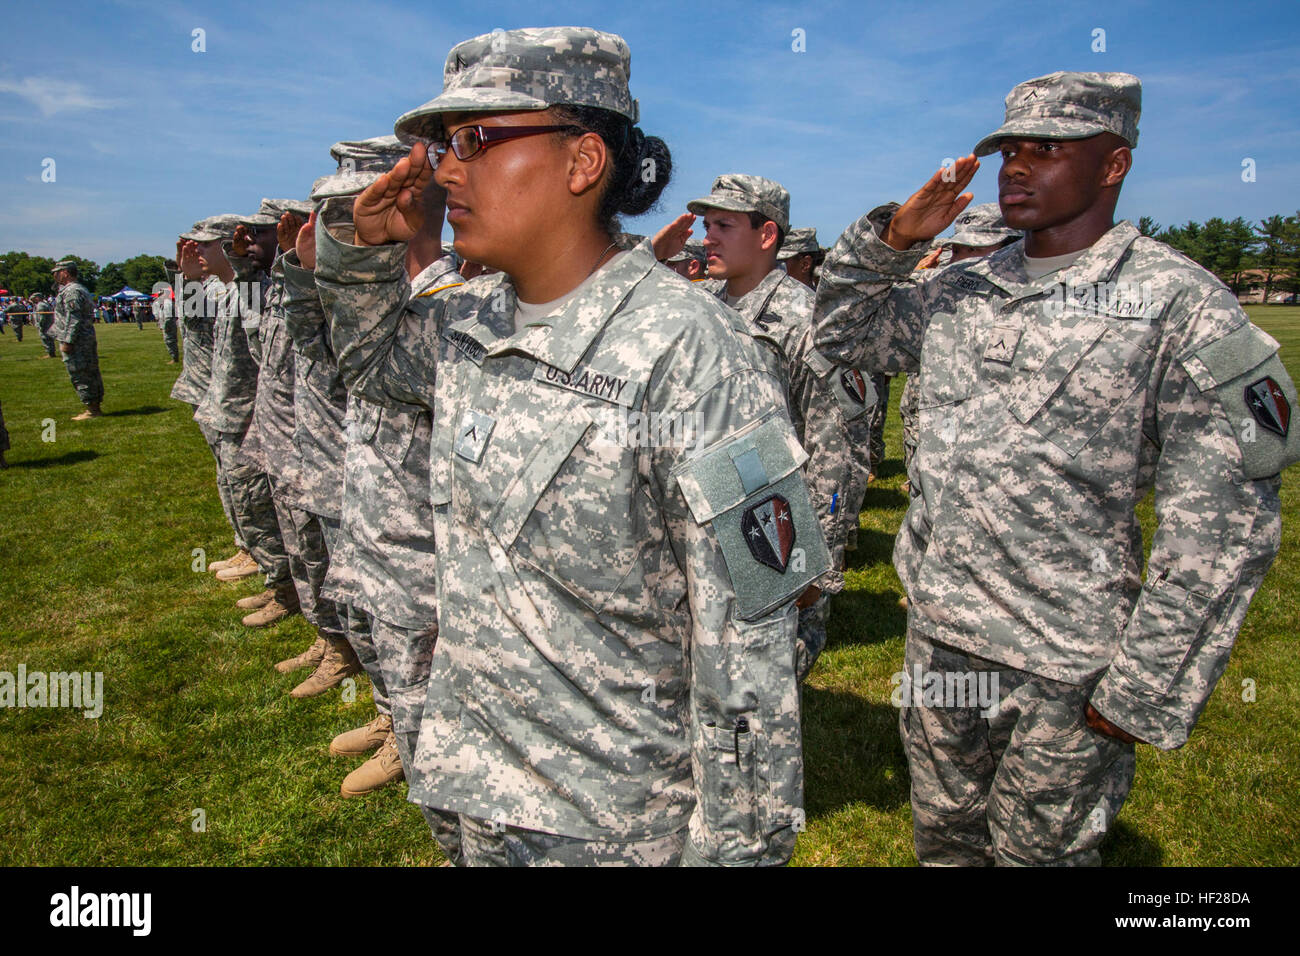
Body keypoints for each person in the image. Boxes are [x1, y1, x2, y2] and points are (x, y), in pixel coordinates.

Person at [325, 26, 825, 866]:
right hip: (480, 789)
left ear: (582, 161)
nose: (446, 171)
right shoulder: (471, 322)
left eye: (475, 141)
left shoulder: (698, 353)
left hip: (618, 822)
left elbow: (759, 626)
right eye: (444, 146)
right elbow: (370, 365)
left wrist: (739, 847)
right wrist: (359, 253)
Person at [813, 70, 1300, 866]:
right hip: (940, 645)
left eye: (1047, 149)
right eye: (1009, 148)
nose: (1015, 167)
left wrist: (1145, 688)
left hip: (1067, 669)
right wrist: (894, 242)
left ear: (1114, 165)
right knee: (944, 847)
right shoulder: (961, 289)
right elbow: (841, 334)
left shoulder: (1184, 304)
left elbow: (1225, 527)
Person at [284, 137, 448, 799]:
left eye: (345, 216)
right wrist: (308, 279)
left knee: (420, 662)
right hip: (370, 509)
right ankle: (395, 726)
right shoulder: (378, 301)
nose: (338, 232)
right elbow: (327, 365)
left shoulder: (448, 296)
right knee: (378, 636)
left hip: (419, 533)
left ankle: (419, 754)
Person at [656, 175, 858, 680]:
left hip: (778, 534)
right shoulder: (706, 309)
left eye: (724, 225)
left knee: (766, 684)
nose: (708, 238)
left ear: (767, 235)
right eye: (707, 225)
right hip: (711, 516)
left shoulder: (806, 321)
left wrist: (816, 564)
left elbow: (837, 447)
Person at [48, 260, 104, 420]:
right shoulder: (75, 290)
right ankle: (94, 406)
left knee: (81, 373)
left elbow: (74, 318)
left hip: (78, 340)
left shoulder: (72, 291)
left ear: (65, 272)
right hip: (83, 338)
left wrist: (68, 341)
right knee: (89, 371)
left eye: (56, 272)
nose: (54, 276)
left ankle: (92, 409)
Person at [151, 274, 179, 363]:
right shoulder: (164, 303)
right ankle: (174, 357)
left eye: (160, 294)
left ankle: (174, 358)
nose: (159, 296)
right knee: (169, 341)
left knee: (170, 341)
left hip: (169, 326)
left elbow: (168, 317)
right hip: (167, 325)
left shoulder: (167, 303)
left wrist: (166, 327)